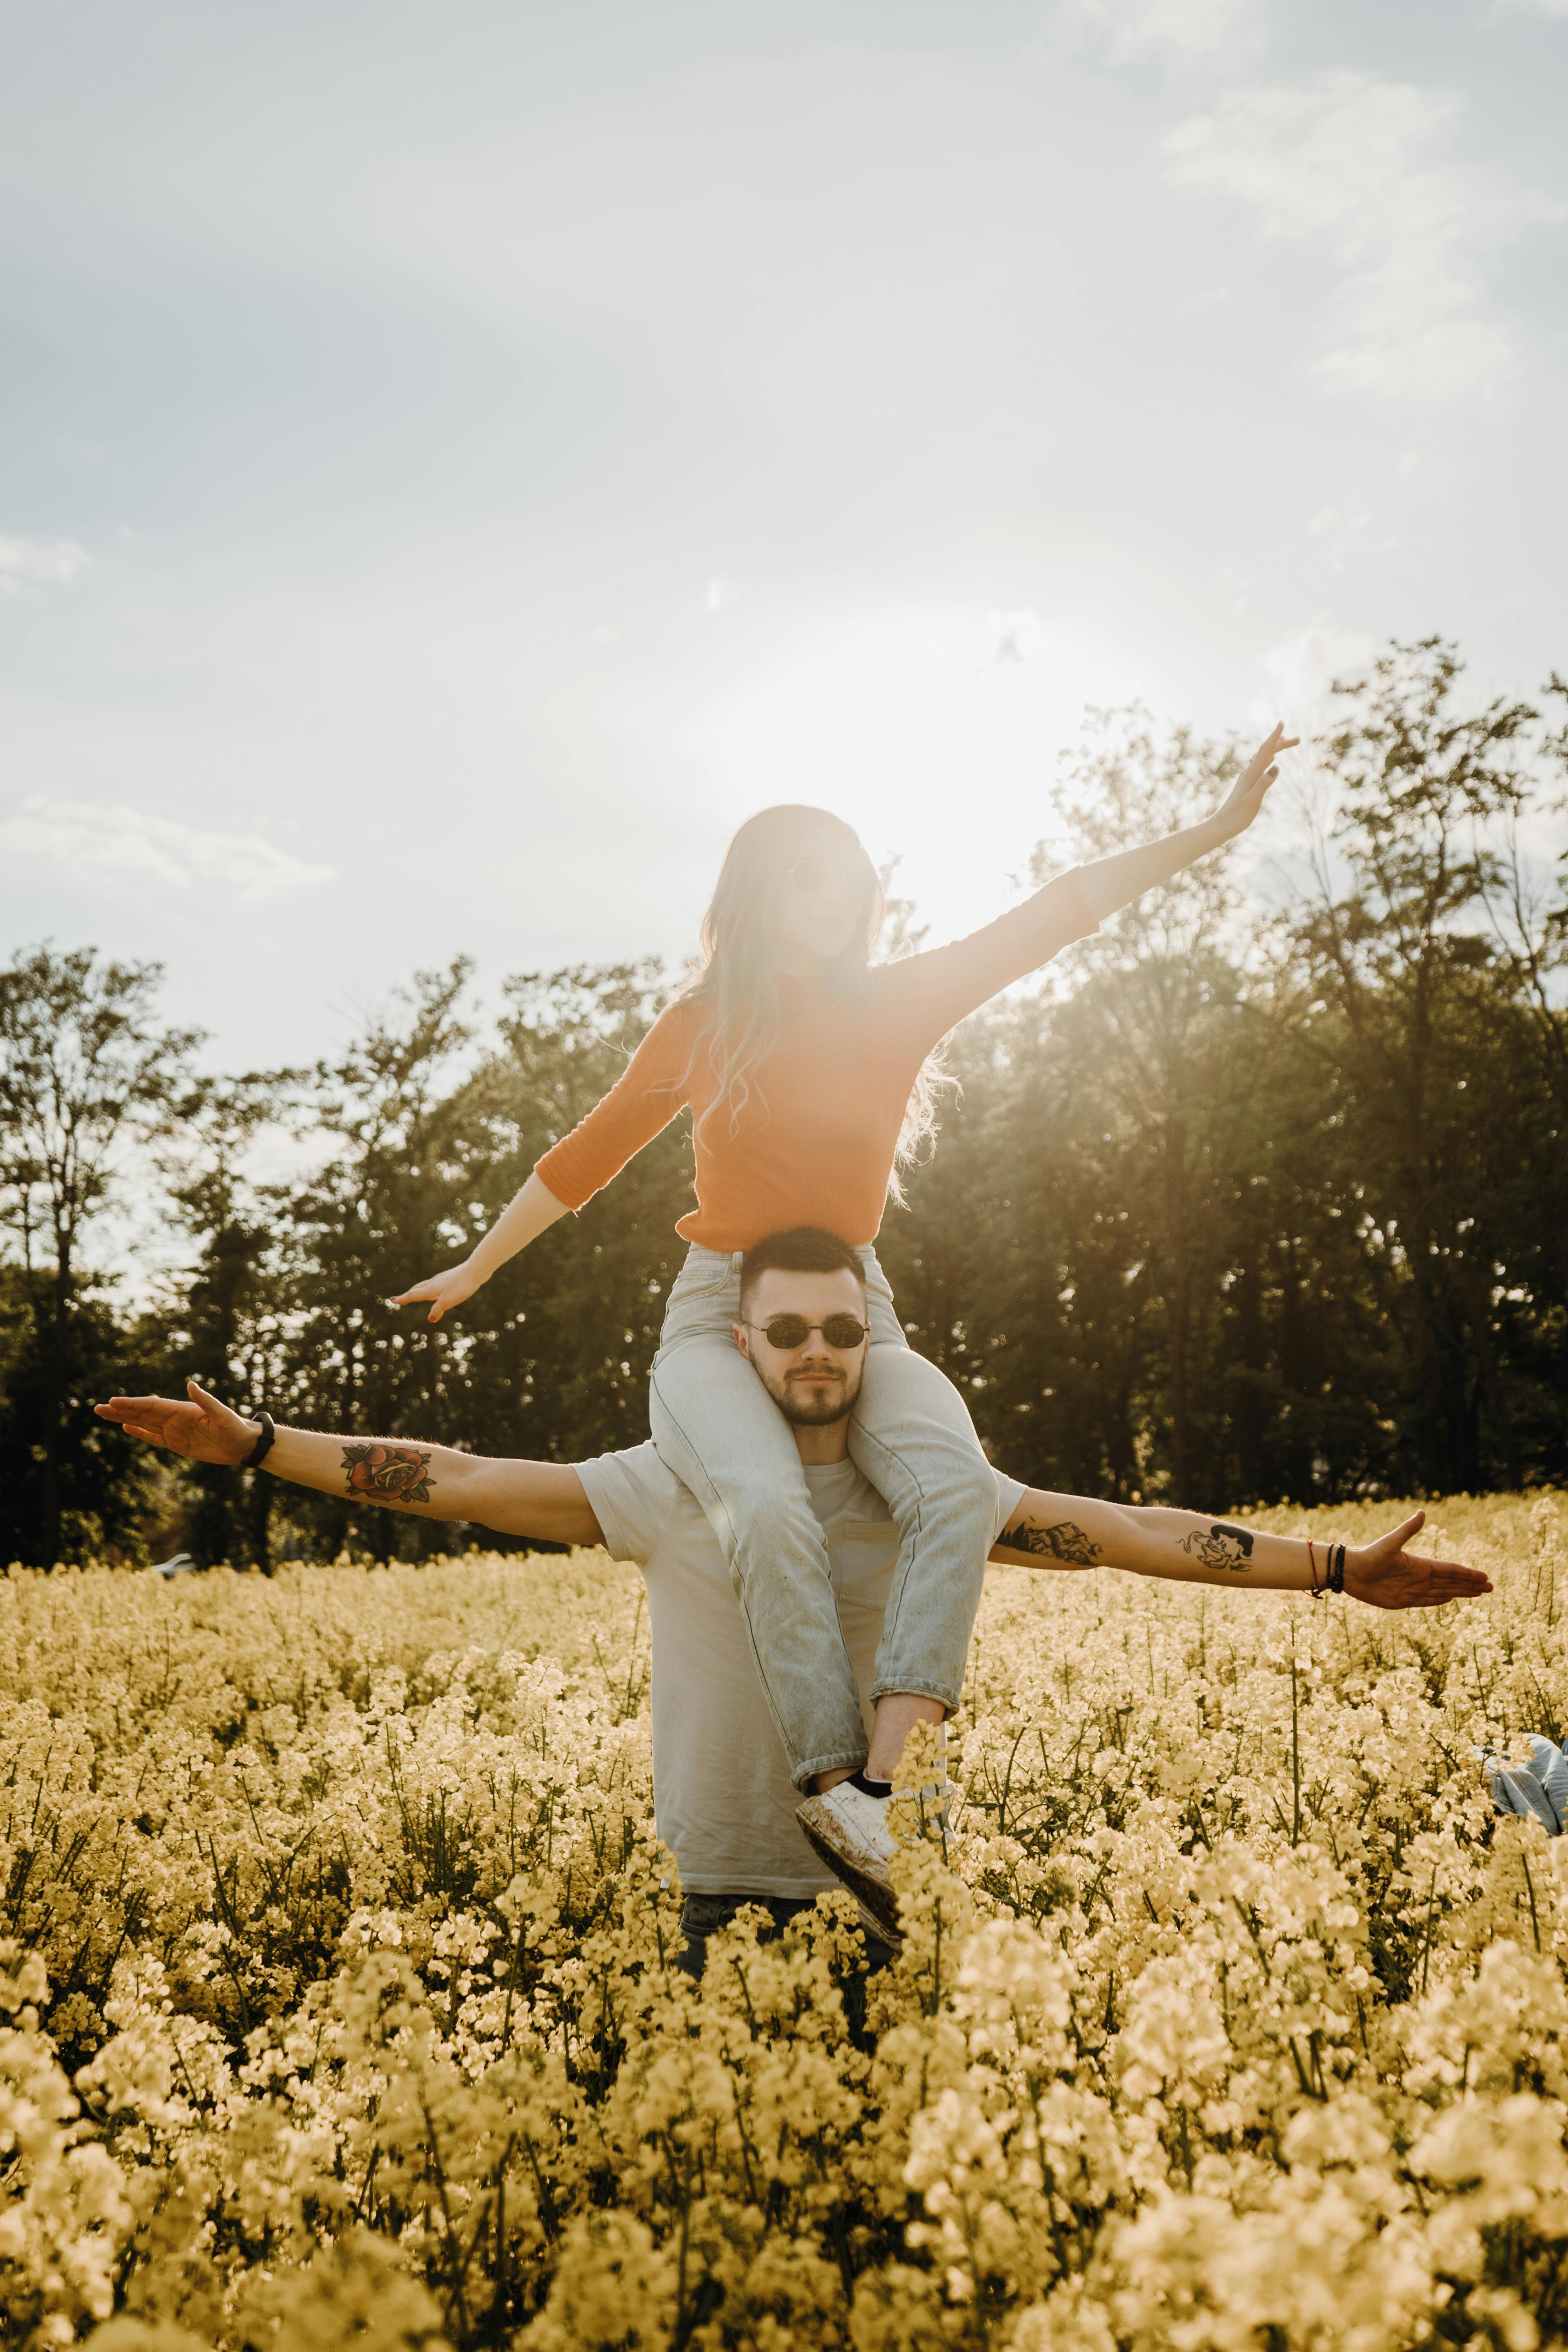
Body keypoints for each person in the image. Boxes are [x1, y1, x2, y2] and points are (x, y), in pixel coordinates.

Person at [97, 1225, 1490, 1947]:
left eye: (841, 1327)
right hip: (725, 1887)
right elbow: (452, 1476)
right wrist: (256, 1444)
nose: (817, 1349)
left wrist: (1334, 1573)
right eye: (789, 1330)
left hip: (900, 1889)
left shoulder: (942, 1491)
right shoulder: (671, 1480)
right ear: (744, 1342)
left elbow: (1127, 1530)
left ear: (867, 1338)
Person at [387, 731, 1303, 1812]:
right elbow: (583, 1161)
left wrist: (1217, 827)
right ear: (761, 892)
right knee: (765, 1504)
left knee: (956, 1484)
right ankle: (832, 1786)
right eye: (810, 871)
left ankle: (883, 1777)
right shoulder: (700, 1025)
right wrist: (478, 1267)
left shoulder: (898, 1003)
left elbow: (1058, 909)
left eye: (853, 871)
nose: (839, 892)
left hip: (855, 1307)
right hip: (720, 1309)